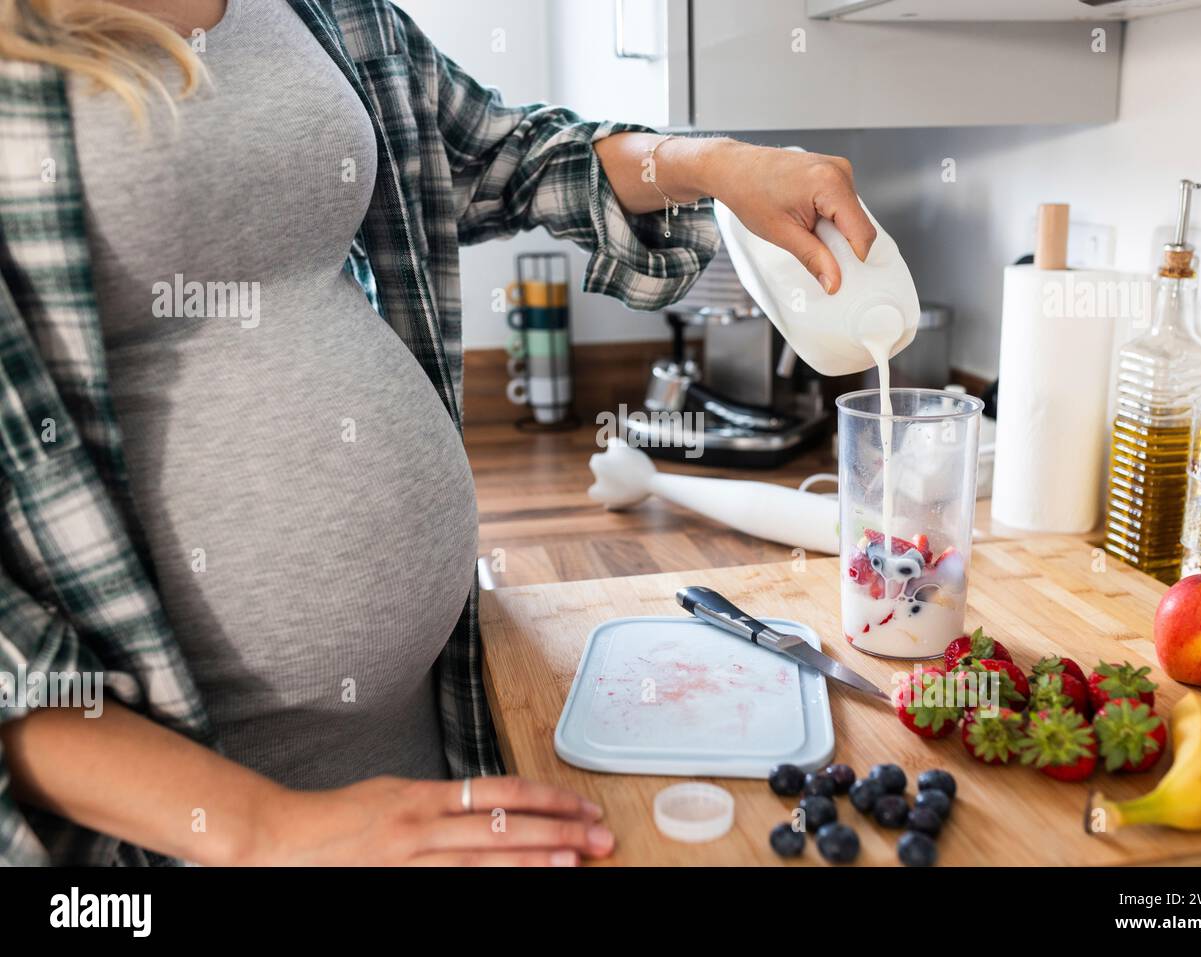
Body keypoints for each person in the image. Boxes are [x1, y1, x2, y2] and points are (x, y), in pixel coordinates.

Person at [0, 0, 875, 866]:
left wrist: (712, 163)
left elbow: (504, 154)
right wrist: (262, 827)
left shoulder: (322, 10)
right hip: (178, 834)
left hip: (431, 740)